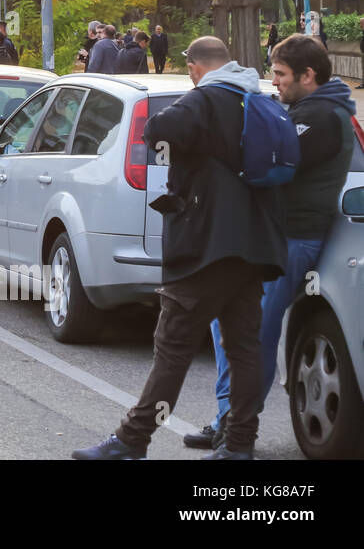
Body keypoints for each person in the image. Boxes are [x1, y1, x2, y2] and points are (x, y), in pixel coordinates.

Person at [73, 37, 286, 460]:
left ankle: (132, 441)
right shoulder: (255, 99)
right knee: (243, 347)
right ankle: (239, 445)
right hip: (252, 244)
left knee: (172, 346)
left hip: (205, 244)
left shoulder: (205, 97)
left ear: (194, 66)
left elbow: (157, 130)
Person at [188, 34, 355, 452]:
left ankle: (238, 432)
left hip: (292, 239)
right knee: (228, 324)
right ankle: (226, 417)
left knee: (252, 336)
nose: (274, 82)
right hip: (269, 237)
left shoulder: (322, 116)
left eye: (280, 75)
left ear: (307, 75)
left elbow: (267, 163)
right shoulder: (304, 109)